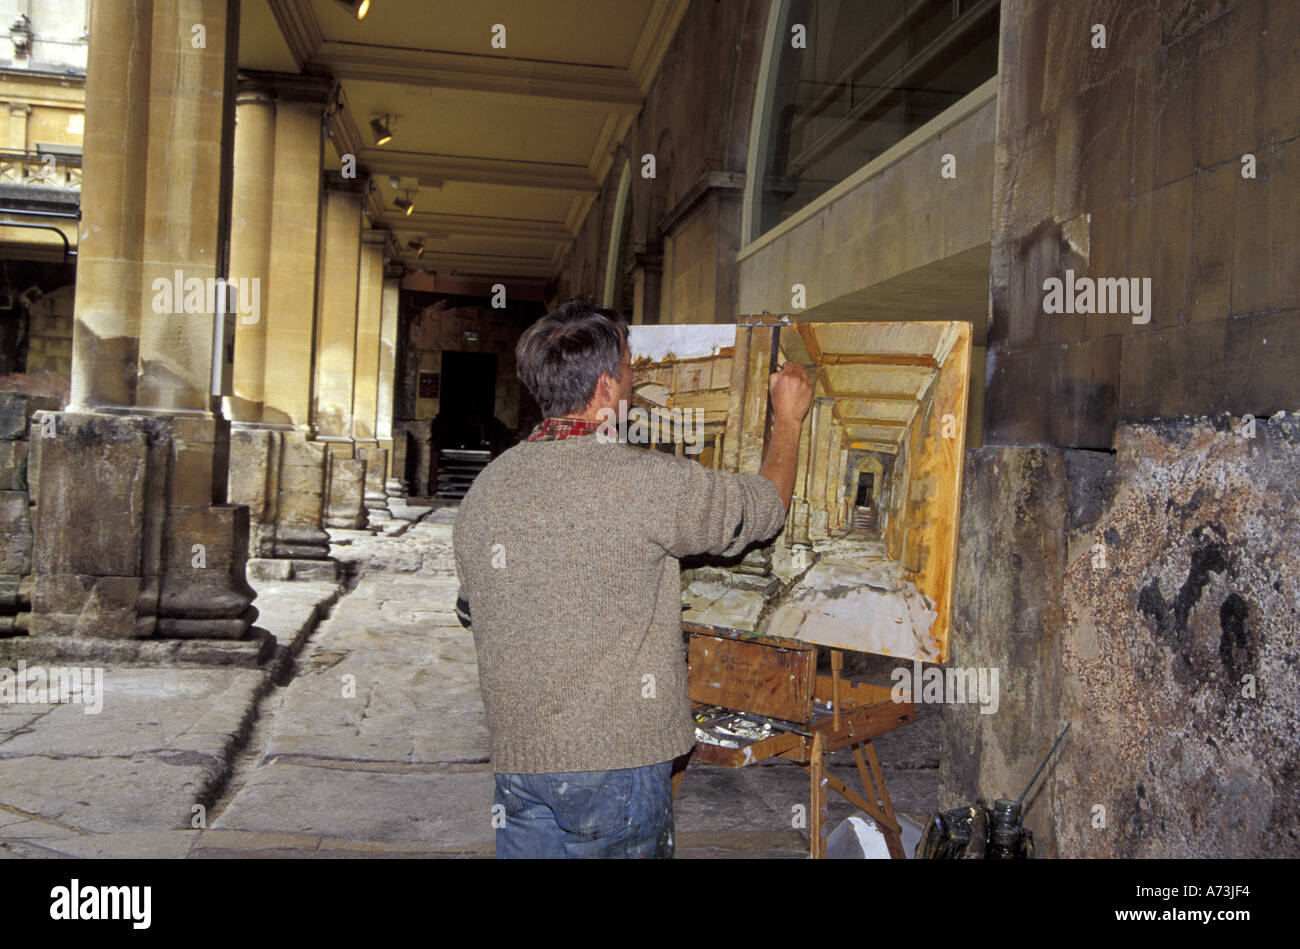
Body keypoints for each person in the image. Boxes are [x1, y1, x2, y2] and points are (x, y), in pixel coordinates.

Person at [452, 300, 812, 858]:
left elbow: (472, 608)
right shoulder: (647, 483)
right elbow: (763, 508)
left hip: (519, 762)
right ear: (605, 387)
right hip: (615, 763)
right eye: (629, 367)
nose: (635, 377)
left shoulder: (488, 488)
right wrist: (787, 420)